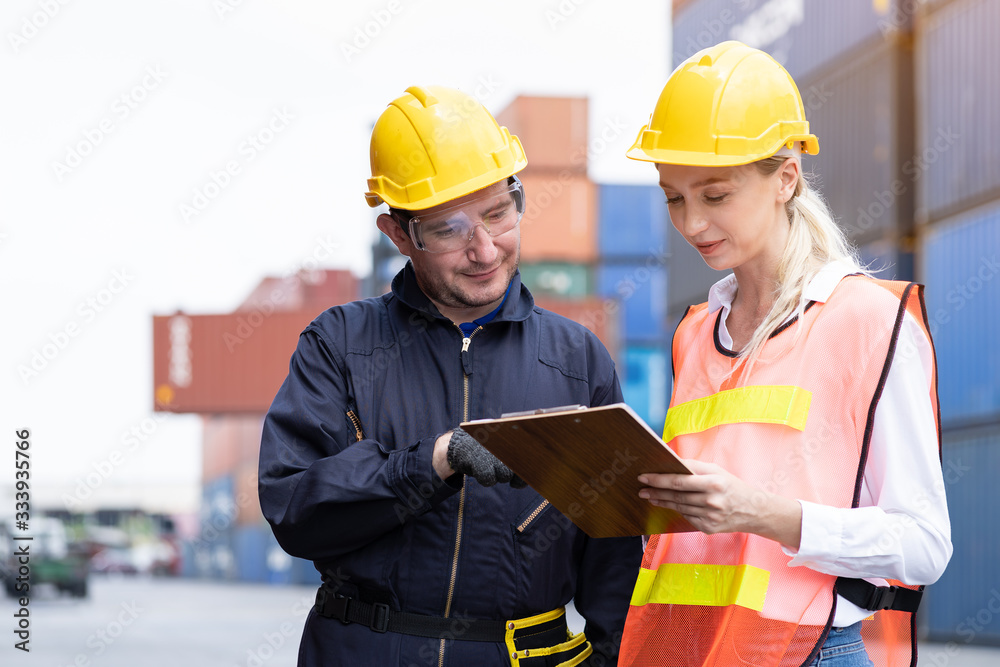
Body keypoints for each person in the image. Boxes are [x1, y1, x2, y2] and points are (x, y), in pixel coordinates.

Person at [258, 85, 642, 667]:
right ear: (398, 235)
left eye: (498, 214)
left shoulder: (578, 360)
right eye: (448, 229)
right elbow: (297, 512)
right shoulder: (338, 345)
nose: (484, 250)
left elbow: (614, 555)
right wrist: (438, 459)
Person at [617, 42, 952, 667]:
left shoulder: (869, 321)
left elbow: (925, 544)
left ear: (786, 179)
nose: (691, 224)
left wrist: (767, 515)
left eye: (714, 195)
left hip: (806, 652)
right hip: (687, 650)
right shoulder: (694, 333)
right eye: (674, 198)